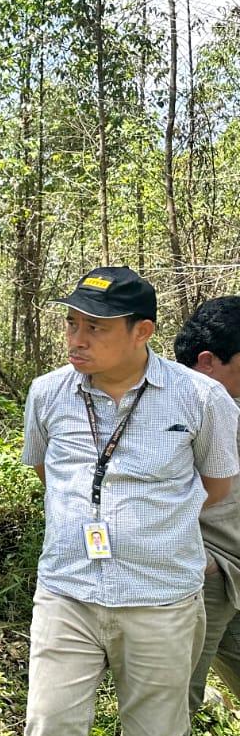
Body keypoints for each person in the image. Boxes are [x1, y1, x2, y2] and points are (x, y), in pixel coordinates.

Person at [21, 267, 237, 736]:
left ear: (142, 332)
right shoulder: (49, 394)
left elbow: (219, 487)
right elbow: (43, 469)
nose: (76, 338)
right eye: (72, 322)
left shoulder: (199, 399)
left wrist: (155, 535)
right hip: (68, 592)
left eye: (96, 327)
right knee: (52, 729)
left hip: (163, 601)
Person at [173, 296, 240, 715]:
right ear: (209, 361)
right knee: (172, 711)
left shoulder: (227, 404)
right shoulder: (173, 407)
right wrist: (200, 560)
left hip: (232, 575)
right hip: (205, 577)